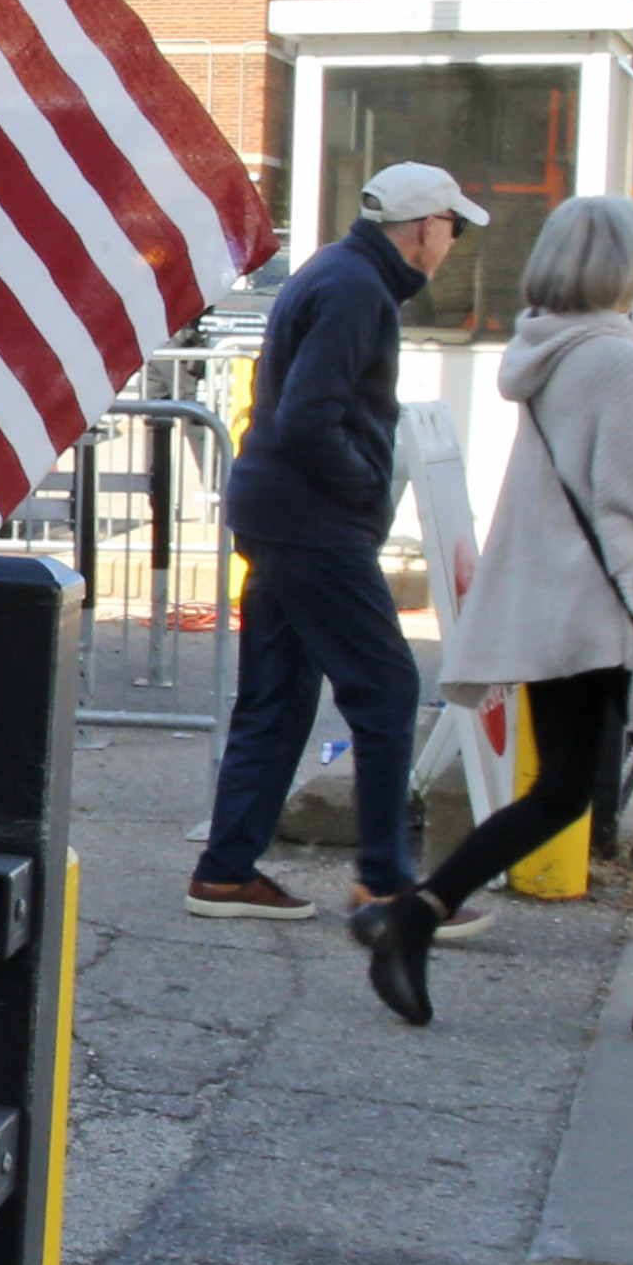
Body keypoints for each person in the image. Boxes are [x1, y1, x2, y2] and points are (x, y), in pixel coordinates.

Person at [354, 194, 633, 1039]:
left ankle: (419, 913)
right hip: (631, 617)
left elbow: (598, 470)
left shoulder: (547, 350)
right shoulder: (617, 358)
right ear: (624, 267)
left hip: (560, 612)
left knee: (560, 789)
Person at [187, 163, 492, 935]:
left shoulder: (337, 271)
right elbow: (311, 416)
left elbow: (297, 411)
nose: (451, 243)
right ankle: (387, 886)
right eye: (451, 227)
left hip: (278, 510)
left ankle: (225, 869)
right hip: (311, 521)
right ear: (423, 227)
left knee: (278, 695)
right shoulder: (359, 289)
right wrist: (363, 489)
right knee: (385, 690)